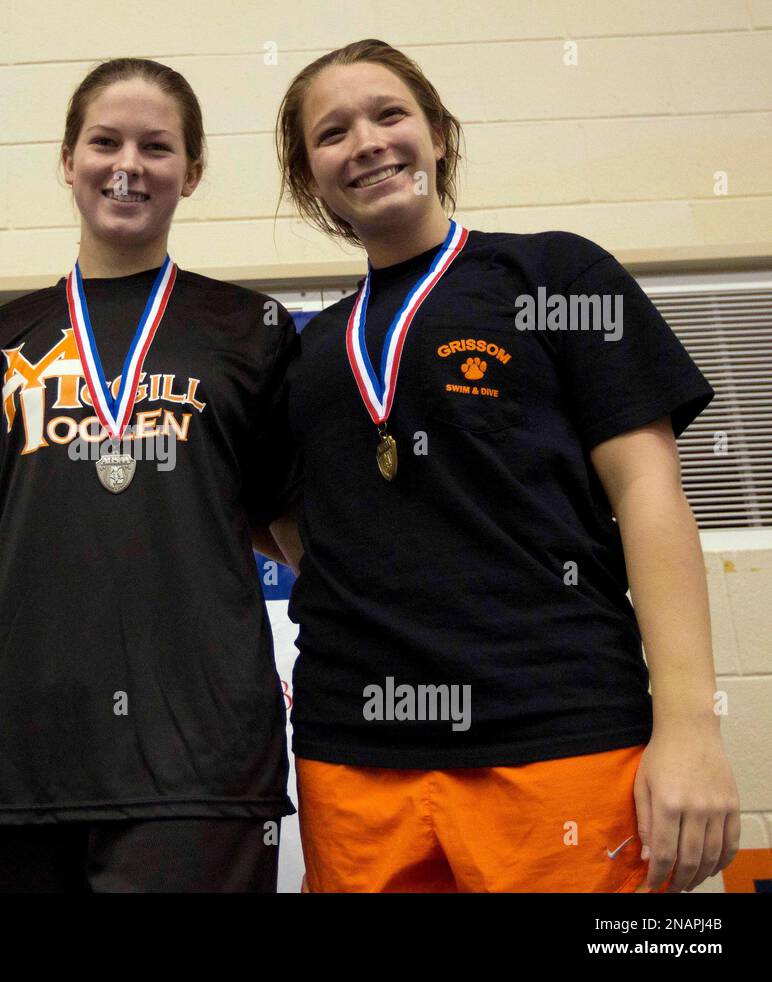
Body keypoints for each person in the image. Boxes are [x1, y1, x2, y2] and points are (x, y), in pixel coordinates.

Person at [273, 38, 740, 893]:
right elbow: (287, 520)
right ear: (310, 176)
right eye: (332, 133)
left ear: (439, 135)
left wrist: (691, 729)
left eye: (390, 115)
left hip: (558, 735)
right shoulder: (304, 355)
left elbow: (648, 494)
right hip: (355, 756)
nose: (367, 142)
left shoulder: (556, 273)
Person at [0, 58, 299, 892]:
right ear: (68, 160)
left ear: (192, 172)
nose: (127, 163)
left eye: (157, 146)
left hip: (199, 758)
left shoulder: (252, 329)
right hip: (21, 756)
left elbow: (292, 527)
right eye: (104, 141)